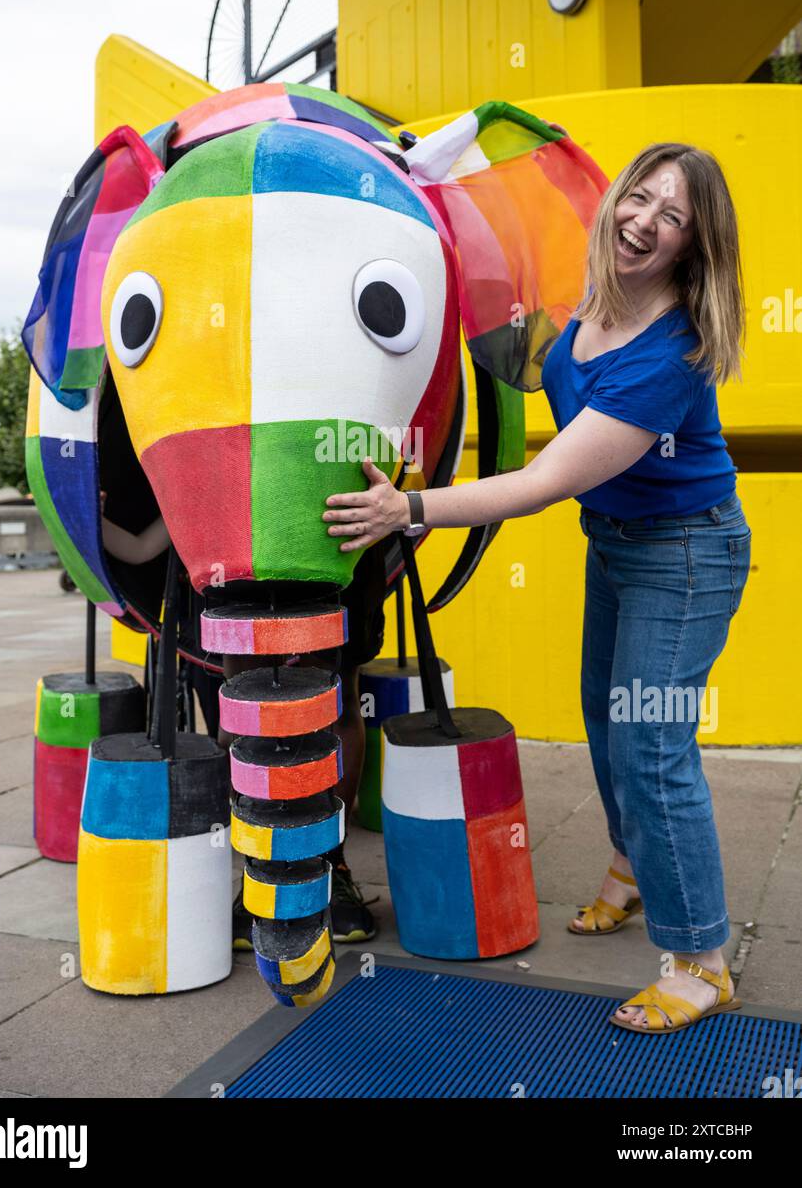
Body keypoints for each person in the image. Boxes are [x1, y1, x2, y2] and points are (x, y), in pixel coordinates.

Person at [322, 140, 752, 1035]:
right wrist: (444, 173)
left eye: (672, 217)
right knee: (606, 714)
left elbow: (543, 480)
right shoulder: (589, 299)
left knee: (651, 744)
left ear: (691, 245)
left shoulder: (670, 352)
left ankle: (702, 959)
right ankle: (636, 870)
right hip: (620, 544)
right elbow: (500, 261)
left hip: (686, 554)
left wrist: (409, 508)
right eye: (640, 198)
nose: (645, 221)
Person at [100, 499, 383, 946]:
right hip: (236, 555)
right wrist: (79, 509)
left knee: (337, 702)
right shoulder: (203, 471)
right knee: (242, 711)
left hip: (336, 549)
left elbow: (414, 477)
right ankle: (261, 864)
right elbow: (140, 548)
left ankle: (332, 860)